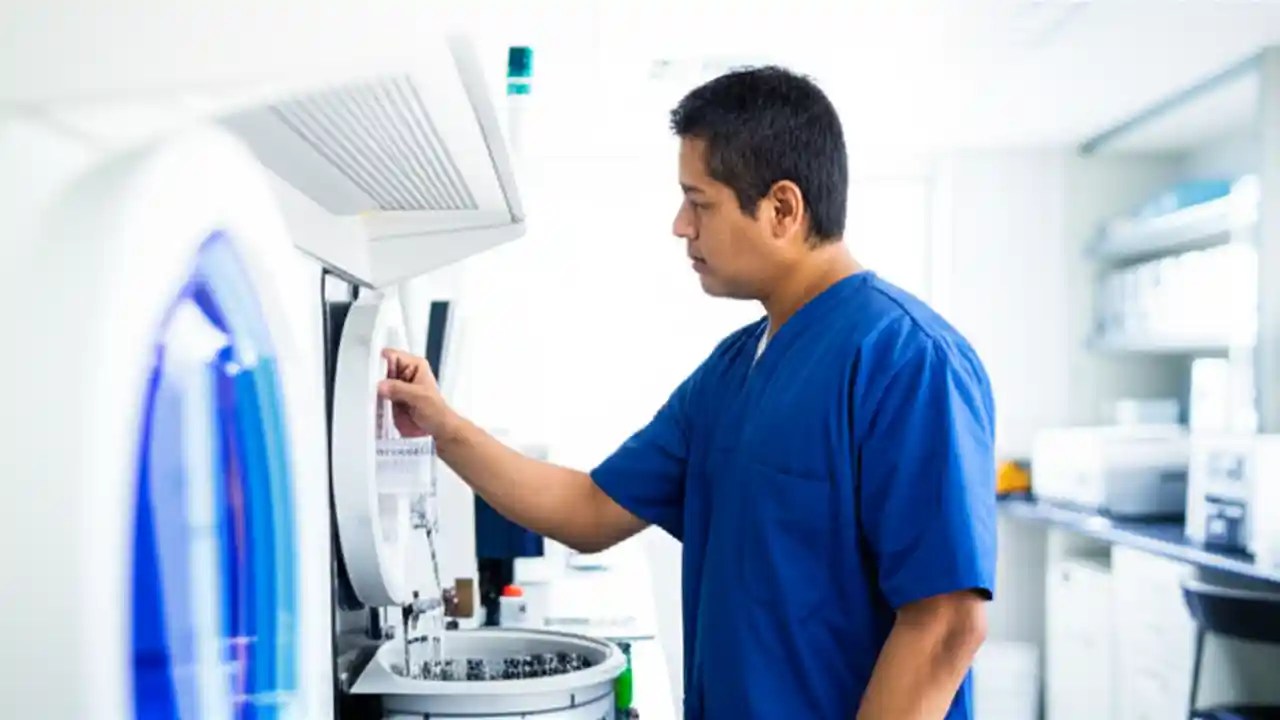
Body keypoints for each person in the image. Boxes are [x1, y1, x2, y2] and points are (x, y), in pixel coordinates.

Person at [378, 65, 997, 719]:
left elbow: (946, 622)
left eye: (699, 202)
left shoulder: (907, 361)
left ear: (782, 209)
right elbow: (590, 510)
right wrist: (443, 428)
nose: (680, 225)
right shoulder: (731, 371)